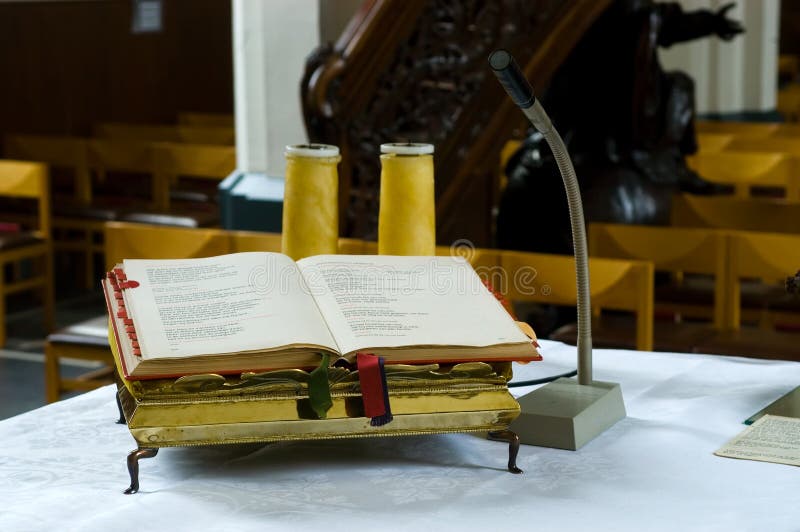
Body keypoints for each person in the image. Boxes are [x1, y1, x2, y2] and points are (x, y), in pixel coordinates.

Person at [497, 0, 744, 255]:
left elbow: (665, 24)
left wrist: (709, 22)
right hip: (605, 99)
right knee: (681, 86)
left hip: (588, 98)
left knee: (681, 85)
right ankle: (678, 162)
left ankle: (677, 163)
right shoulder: (621, 10)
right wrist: (710, 22)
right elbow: (665, 24)